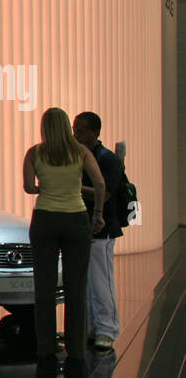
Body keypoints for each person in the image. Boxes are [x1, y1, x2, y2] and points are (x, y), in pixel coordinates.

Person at [22, 107, 105, 360]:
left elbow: (27, 187)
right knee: (76, 287)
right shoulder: (81, 152)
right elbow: (100, 183)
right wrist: (98, 213)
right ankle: (76, 349)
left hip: (45, 220)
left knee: (44, 288)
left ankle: (46, 347)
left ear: (44, 127)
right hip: (76, 220)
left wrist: (43, 187)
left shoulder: (34, 153)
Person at [72, 112, 123, 351]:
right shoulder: (78, 156)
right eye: (75, 129)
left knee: (101, 281)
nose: (76, 134)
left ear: (95, 132)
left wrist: (72, 187)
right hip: (82, 225)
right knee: (88, 282)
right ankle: (92, 327)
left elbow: (107, 192)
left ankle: (107, 330)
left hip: (102, 228)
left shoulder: (108, 159)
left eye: (81, 130)